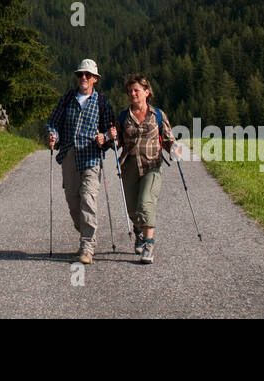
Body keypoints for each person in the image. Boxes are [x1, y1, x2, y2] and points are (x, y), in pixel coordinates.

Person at [45, 58, 116, 265]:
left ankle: (87, 244)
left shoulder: (102, 102)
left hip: (91, 157)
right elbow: (53, 123)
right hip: (68, 155)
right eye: (80, 74)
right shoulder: (67, 99)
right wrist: (53, 136)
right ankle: (85, 232)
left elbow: (111, 132)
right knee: (73, 202)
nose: (83, 78)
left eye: (87, 75)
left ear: (95, 79)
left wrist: (105, 137)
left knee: (88, 198)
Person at [116, 74, 174, 263]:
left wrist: (173, 148)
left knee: (145, 204)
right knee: (133, 209)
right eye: (130, 91)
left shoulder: (157, 115)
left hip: (152, 166)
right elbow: (117, 142)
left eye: (136, 90)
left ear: (146, 92)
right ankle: (138, 232)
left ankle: (149, 244)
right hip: (129, 166)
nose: (133, 93)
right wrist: (110, 138)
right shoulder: (124, 116)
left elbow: (167, 138)